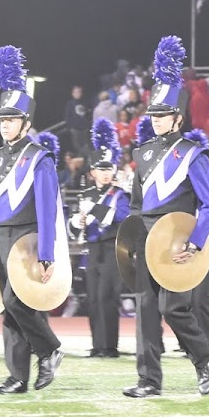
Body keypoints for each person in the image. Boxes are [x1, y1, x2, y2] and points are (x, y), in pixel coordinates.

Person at [124, 36, 209, 399]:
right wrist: (135, 241)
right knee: (144, 309)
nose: (156, 121)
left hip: (180, 238)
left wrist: (196, 241)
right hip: (149, 237)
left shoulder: (194, 153)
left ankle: (203, 359)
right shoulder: (141, 154)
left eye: (163, 115)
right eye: (153, 115)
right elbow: (137, 205)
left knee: (174, 307)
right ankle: (149, 380)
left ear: (178, 117)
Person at [0, 47, 65, 394]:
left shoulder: (40, 158)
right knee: (8, 307)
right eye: (2, 121)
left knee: (19, 302)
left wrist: (46, 252)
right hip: (0, 238)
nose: (6, 126)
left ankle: (50, 349)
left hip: (28, 237)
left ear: (27, 123)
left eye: (12, 120)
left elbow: (48, 209)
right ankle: (18, 376)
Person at [70, 118, 130, 358]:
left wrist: (94, 210)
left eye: (109, 169)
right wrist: (77, 221)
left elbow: (123, 217)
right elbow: (74, 226)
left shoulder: (120, 194)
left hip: (111, 248)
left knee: (107, 296)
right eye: (101, 169)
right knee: (93, 297)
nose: (106, 173)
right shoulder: (86, 193)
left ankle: (109, 346)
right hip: (92, 249)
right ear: (93, 171)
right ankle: (97, 344)